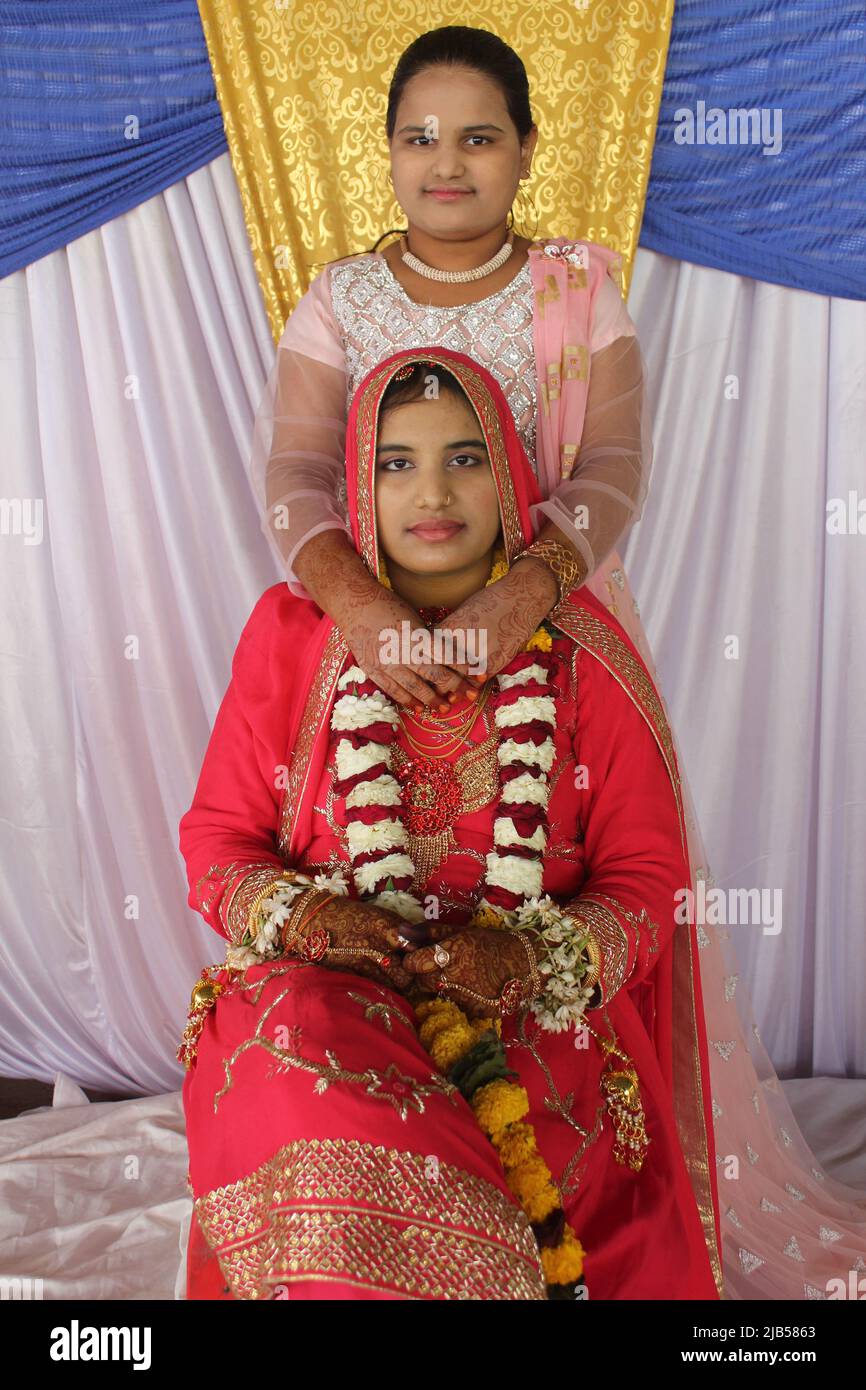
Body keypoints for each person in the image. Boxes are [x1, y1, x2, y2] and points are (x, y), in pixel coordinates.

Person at [250, 25, 866, 1299]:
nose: (448, 163)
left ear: (526, 151)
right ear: (385, 154)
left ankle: (590, 1153)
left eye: (478, 136)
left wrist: (522, 597)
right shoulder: (337, 298)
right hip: (375, 632)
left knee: (589, 873)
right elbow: (299, 478)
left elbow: (612, 472)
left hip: (559, 626)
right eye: (420, 137)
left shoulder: (578, 286)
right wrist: (365, 617)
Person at [178, 347, 723, 1300]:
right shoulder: (294, 633)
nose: (433, 489)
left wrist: (528, 964)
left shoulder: (583, 655)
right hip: (327, 992)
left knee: (523, 1077)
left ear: (512, 477)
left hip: (530, 1009)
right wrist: (311, 923)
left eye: (465, 457)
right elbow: (217, 842)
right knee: (295, 1036)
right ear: (357, 482)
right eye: (397, 463)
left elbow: (645, 877)